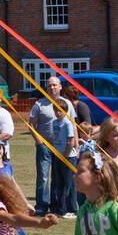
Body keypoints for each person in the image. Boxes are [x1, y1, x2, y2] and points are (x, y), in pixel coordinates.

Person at [27, 77, 64, 214]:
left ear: (60, 87)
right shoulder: (40, 104)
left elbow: (72, 125)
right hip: (44, 146)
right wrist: (39, 141)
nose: (52, 88)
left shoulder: (66, 104)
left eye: (54, 85)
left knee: (57, 177)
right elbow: (31, 124)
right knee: (43, 176)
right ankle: (42, 206)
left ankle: (56, 206)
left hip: (61, 147)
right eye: (49, 86)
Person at [47, 87, 79, 219]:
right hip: (57, 156)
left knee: (69, 183)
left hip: (67, 157)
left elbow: (70, 141)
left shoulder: (67, 123)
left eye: (60, 111)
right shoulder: (54, 122)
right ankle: (61, 208)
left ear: (65, 111)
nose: (58, 113)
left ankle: (72, 209)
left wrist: (64, 156)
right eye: (56, 111)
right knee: (58, 183)